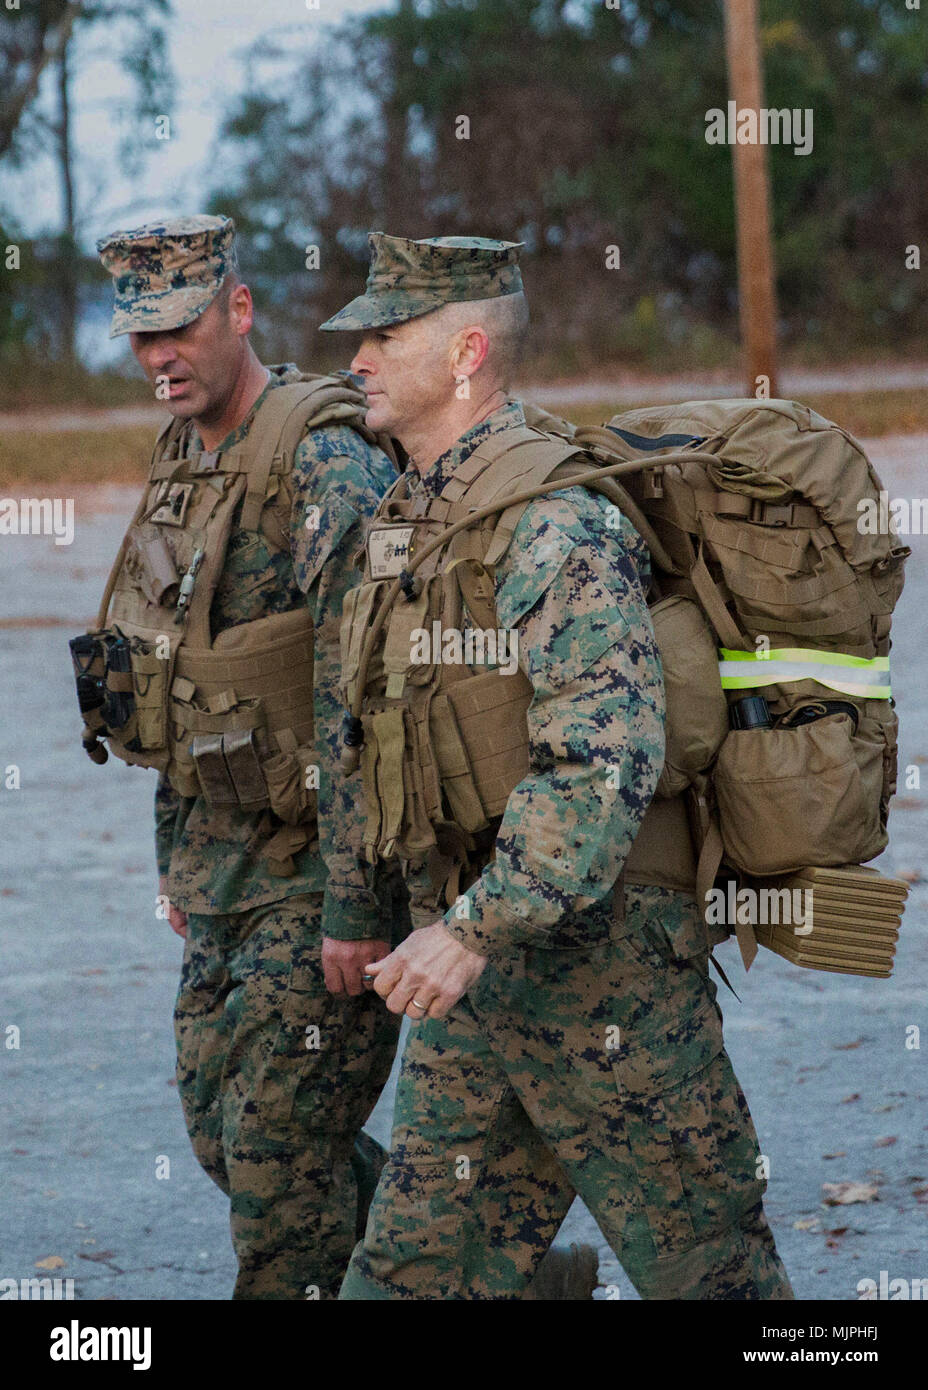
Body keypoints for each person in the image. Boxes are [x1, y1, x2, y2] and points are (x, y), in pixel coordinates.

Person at [320, 232, 795, 1300]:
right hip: (474, 968)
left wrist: (471, 929)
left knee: (711, 1275)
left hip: (606, 967)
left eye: (382, 336)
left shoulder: (552, 520)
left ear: (465, 353)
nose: (356, 358)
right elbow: (371, 732)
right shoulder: (411, 517)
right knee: (411, 1275)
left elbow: (601, 761)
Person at [90, 215, 406, 1299]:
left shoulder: (321, 454)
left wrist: (359, 905)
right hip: (220, 865)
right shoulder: (183, 454)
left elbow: (364, 690)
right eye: (139, 337)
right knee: (232, 1137)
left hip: (321, 876)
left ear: (237, 308)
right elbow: (167, 671)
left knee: (276, 1160)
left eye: (177, 326)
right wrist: (174, 856)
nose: (159, 357)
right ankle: (457, 1267)